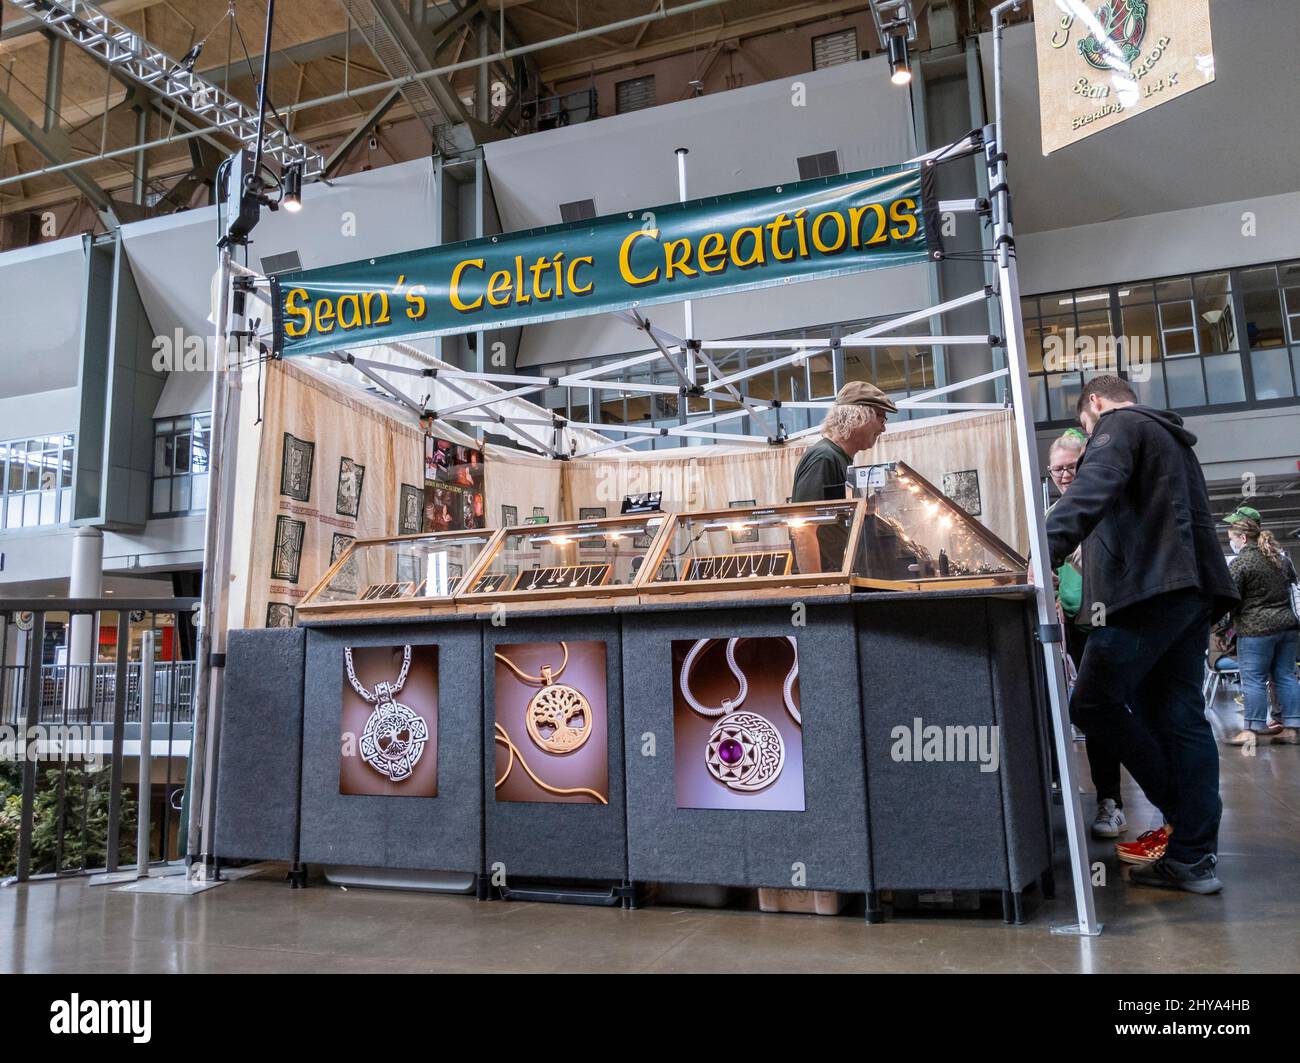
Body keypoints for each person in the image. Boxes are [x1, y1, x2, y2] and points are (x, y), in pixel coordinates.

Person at [1046, 375, 1239, 894]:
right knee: (1180, 716)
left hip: (1148, 594)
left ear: (1094, 403)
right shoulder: (1169, 435)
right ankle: (1193, 855)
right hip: (1188, 592)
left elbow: (1091, 491)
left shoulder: (1118, 426)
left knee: (1091, 703)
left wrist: (1037, 554)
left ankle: (1185, 819)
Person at [1047, 429, 1127, 839]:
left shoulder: (1109, 507)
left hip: (1113, 623)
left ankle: (1111, 801)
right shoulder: (1056, 513)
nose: (1064, 475)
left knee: (1103, 710)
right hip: (1074, 628)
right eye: (1057, 468)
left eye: (1071, 467)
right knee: (1086, 709)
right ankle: (1099, 797)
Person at [789, 381, 895, 569]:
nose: (883, 428)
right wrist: (817, 591)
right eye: (881, 418)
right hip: (831, 584)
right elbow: (803, 527)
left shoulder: (839, 459)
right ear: (859, 416)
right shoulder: (824, 458)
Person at [1222, 506, 1300, 745]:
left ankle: (1252, 731)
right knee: (1286, 676)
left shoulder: (1241, 563)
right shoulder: (1281, 559)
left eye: (1232, 539)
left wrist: (1223, 629)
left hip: (1256, 631)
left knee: (1254, 679)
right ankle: (1292, 728)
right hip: (1287, 627)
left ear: (1242, 538)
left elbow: (1230, 600)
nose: (1231, 544)